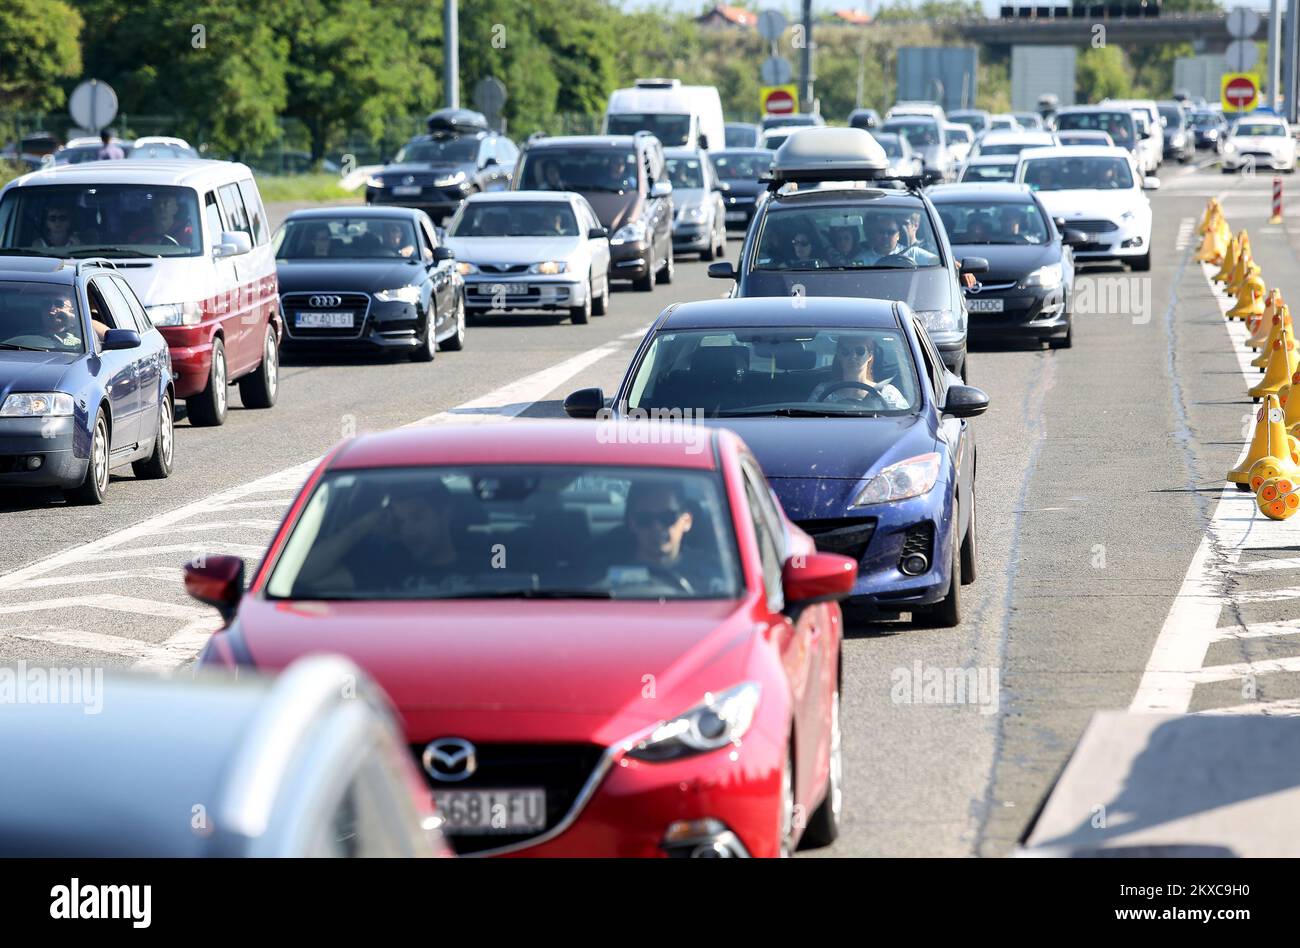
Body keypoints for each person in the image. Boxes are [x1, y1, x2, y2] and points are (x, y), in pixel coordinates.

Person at [293, 478, 474, 597]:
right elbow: (301, 577)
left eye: (417, 517)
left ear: (445, 515)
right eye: (400, 522)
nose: (409, 531)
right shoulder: (387, 565)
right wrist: (363, 525)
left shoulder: (485, 563)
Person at [809, 335, 909, 409]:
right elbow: (810, 421)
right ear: (839, 355)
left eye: (860, 351)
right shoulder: (822, 391)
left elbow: (904, 423)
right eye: (846, 351)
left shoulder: (888, 393)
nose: (853, 356)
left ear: (870, 356)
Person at [128, 192, 194, 247]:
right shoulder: (139, 234)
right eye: (157, 203)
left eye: (166, 203)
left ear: (175, 209)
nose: (161, 207)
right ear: (152, 209)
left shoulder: (187, 233)